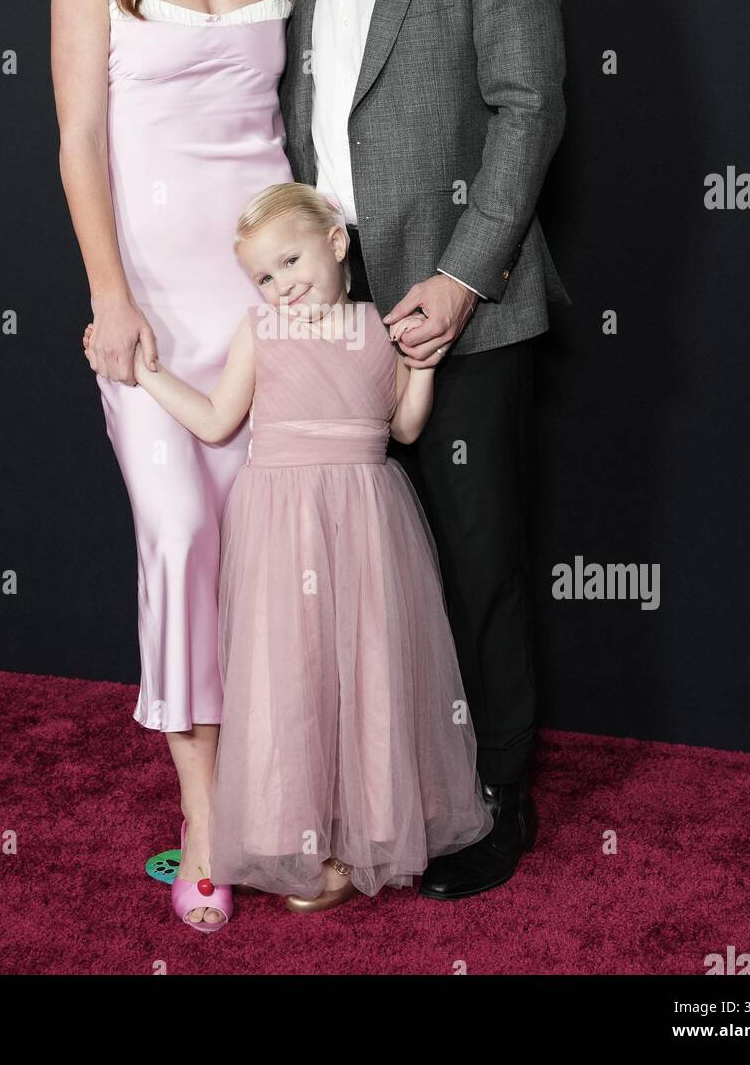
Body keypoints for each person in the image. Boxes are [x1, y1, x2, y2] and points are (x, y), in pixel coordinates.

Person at [278, 0, 571, 896]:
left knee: (474, 565)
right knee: (356, 579)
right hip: (335, 324)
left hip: (465, 310)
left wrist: (458, 278)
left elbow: (528, 109)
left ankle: (497, 800)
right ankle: (386, 788)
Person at [51, 0, 305, 929]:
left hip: (266, 305)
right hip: (151, 310)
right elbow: (78, 141)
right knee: (181, 534)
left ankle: (278, 793)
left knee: (264, 556)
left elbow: (290, 137)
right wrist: (109, 295)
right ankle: (205, 816)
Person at [83, 183, 494, 916]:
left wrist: (424, 367)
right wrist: (146, 373)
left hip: (366, 518)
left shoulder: (379, 327)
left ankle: (365, 831)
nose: (281, 285)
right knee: (288, 671)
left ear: (336, 242)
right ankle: (292, 837)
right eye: (264, 277)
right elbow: (216, 421)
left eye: (291, 261)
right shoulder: (261, 332)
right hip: (279, 524)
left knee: (367, 664)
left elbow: (403, 427)